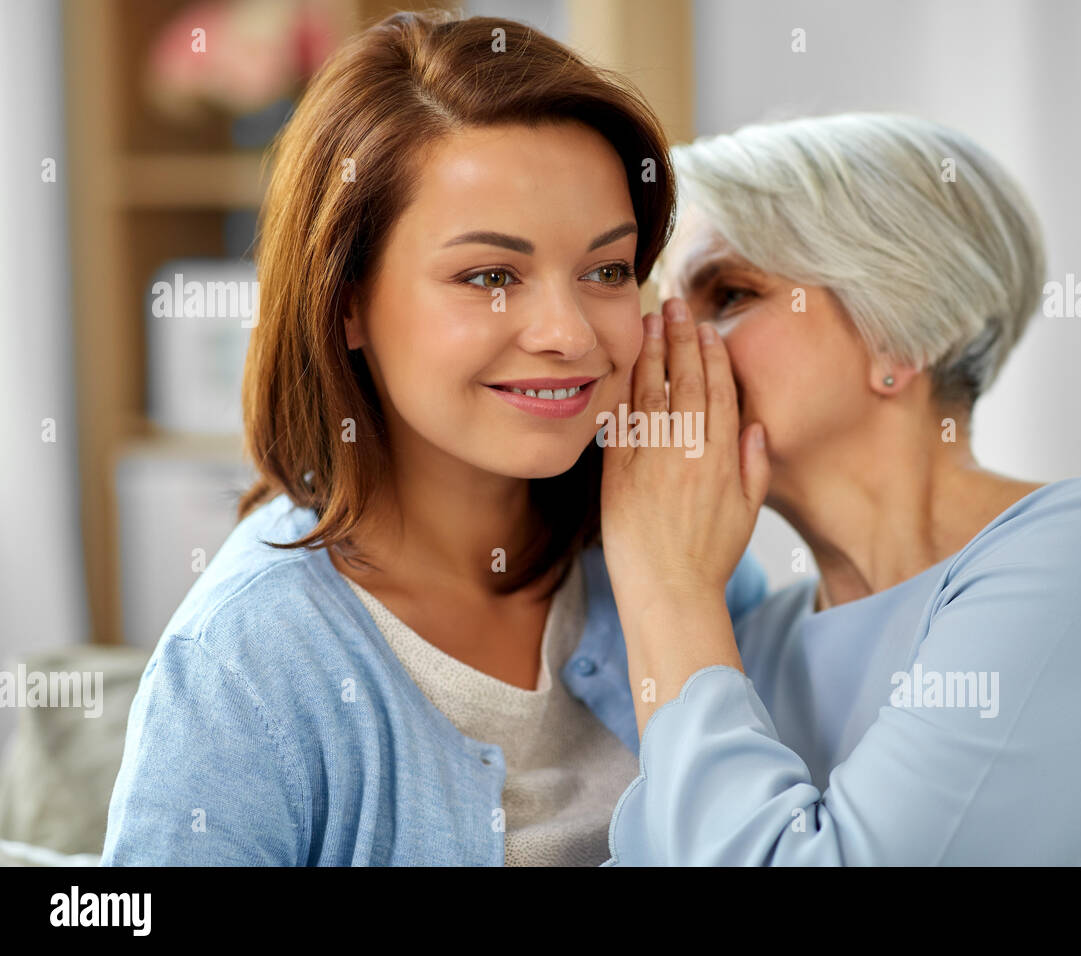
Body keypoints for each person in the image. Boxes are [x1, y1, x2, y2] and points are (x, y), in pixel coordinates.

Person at [101, 10, 764, 866]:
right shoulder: (246, 664)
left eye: (607, 271)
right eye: (490, 276)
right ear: (345, 303)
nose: (569, 333)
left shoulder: (686, 558)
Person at [597, 112, 1081, 865]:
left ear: (903, 333)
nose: (660, 346)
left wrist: (665, 583)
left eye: (728, 294)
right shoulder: (749, 643)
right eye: (662, 308)